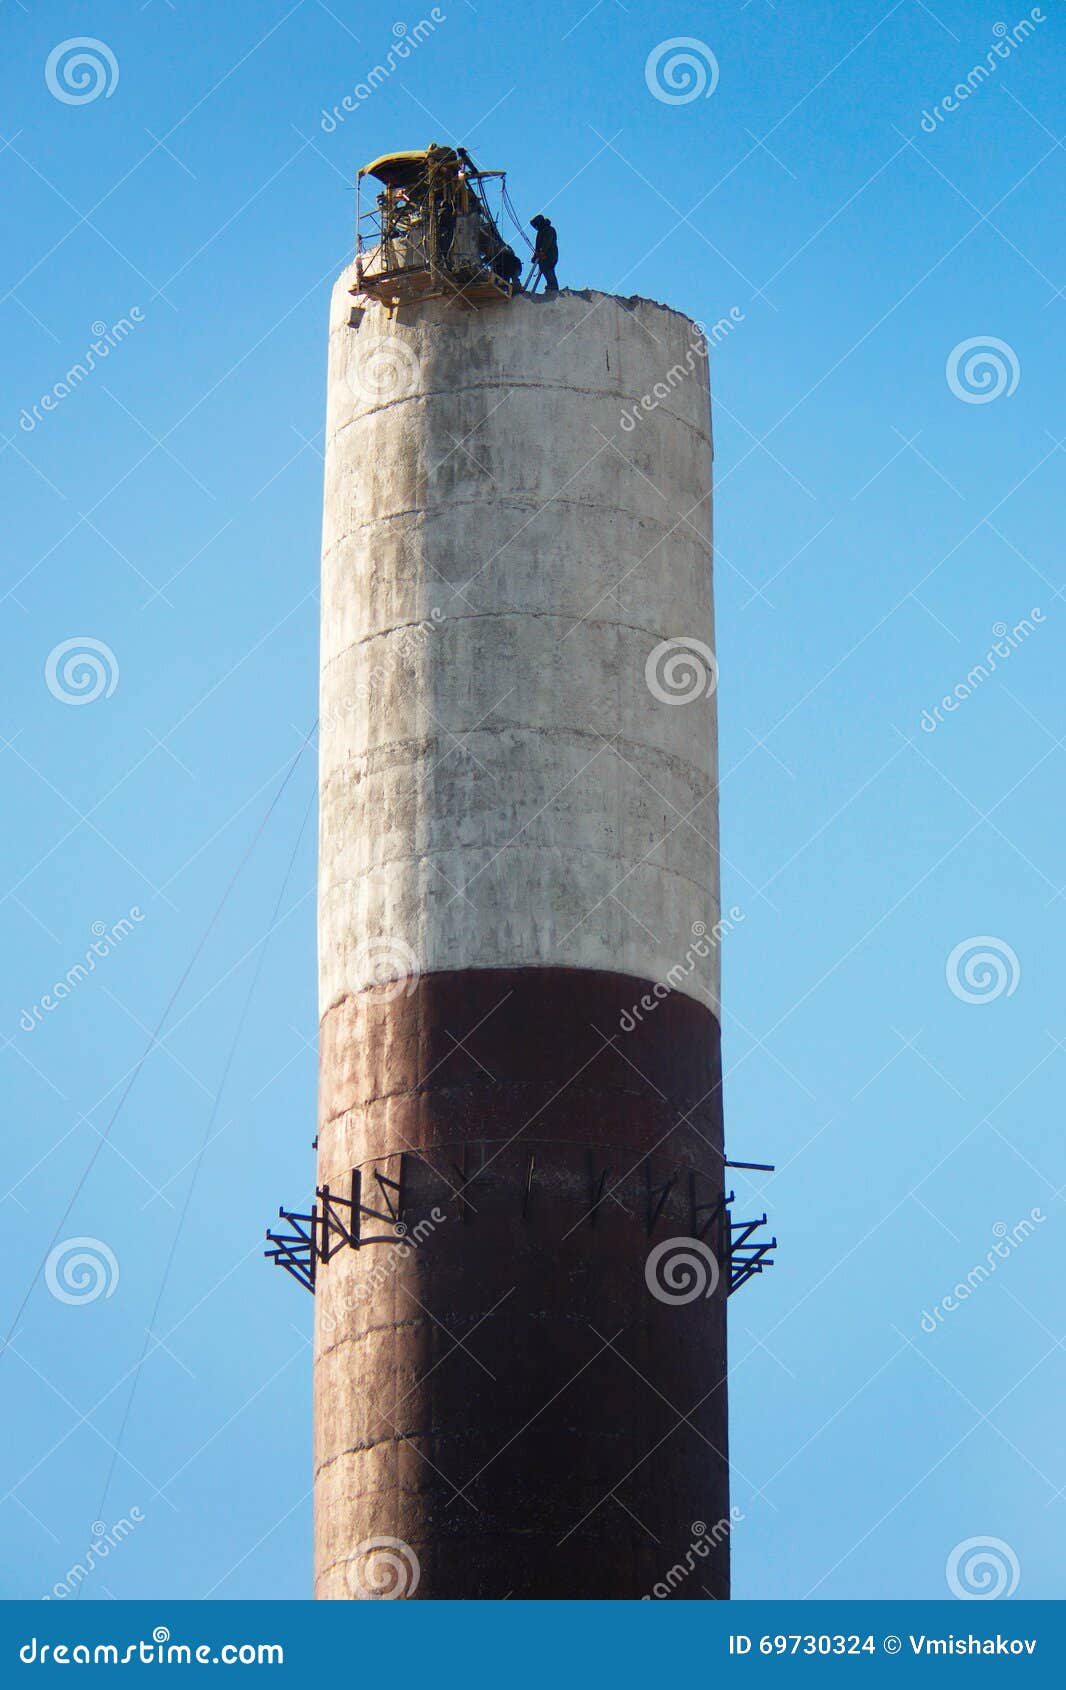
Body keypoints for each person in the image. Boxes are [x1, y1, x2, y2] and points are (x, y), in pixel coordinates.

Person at [530, 214, 559, 292]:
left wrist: (542, 251)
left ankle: (553, 286)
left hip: (550, 255)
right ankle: (552, 285)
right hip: (544, 255)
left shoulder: (549, 229)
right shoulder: (541, 231)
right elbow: (538, 246)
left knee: (547, 267)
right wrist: (535, 256)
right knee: (544, 267)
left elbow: (547, 241)